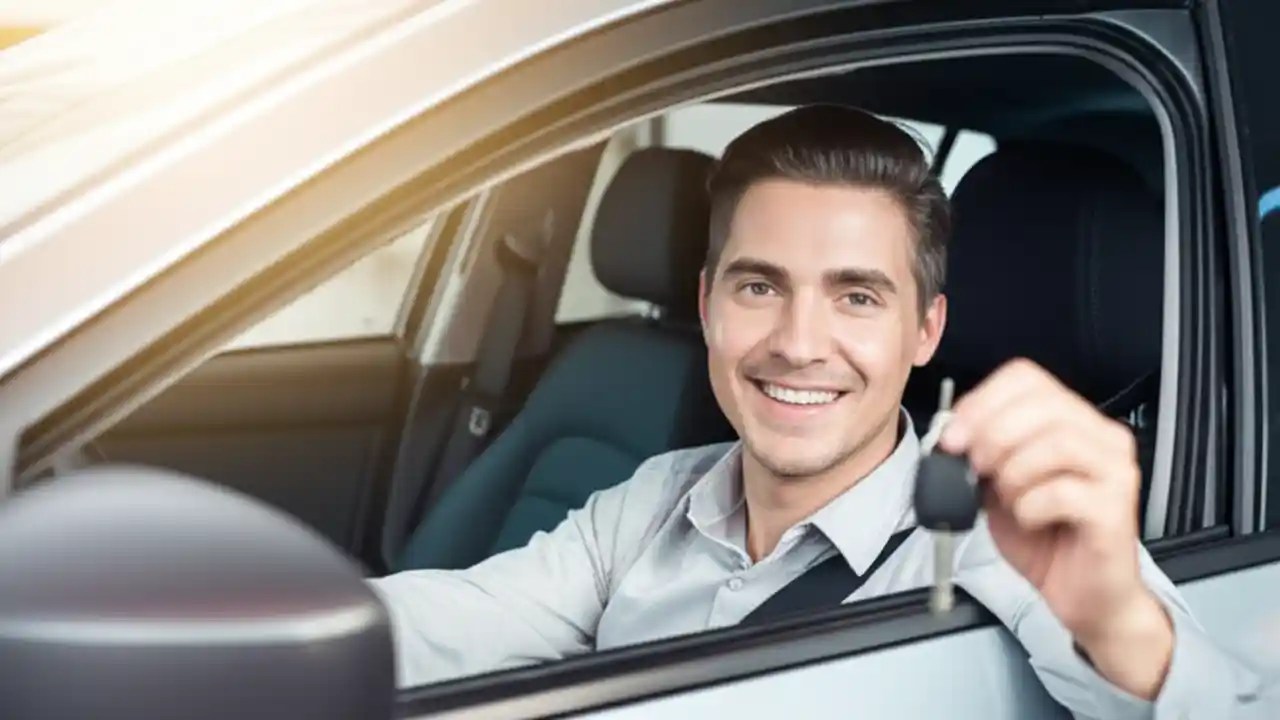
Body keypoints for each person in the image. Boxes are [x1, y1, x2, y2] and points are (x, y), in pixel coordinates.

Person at [370, 105, 1270, 717]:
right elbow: (444, 625)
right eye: (760, 285)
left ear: (926, 330)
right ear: (709, 303)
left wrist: (1120, 628)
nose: (799, 342)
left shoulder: (1010, 539)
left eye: (857, 297)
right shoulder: (651, 501)